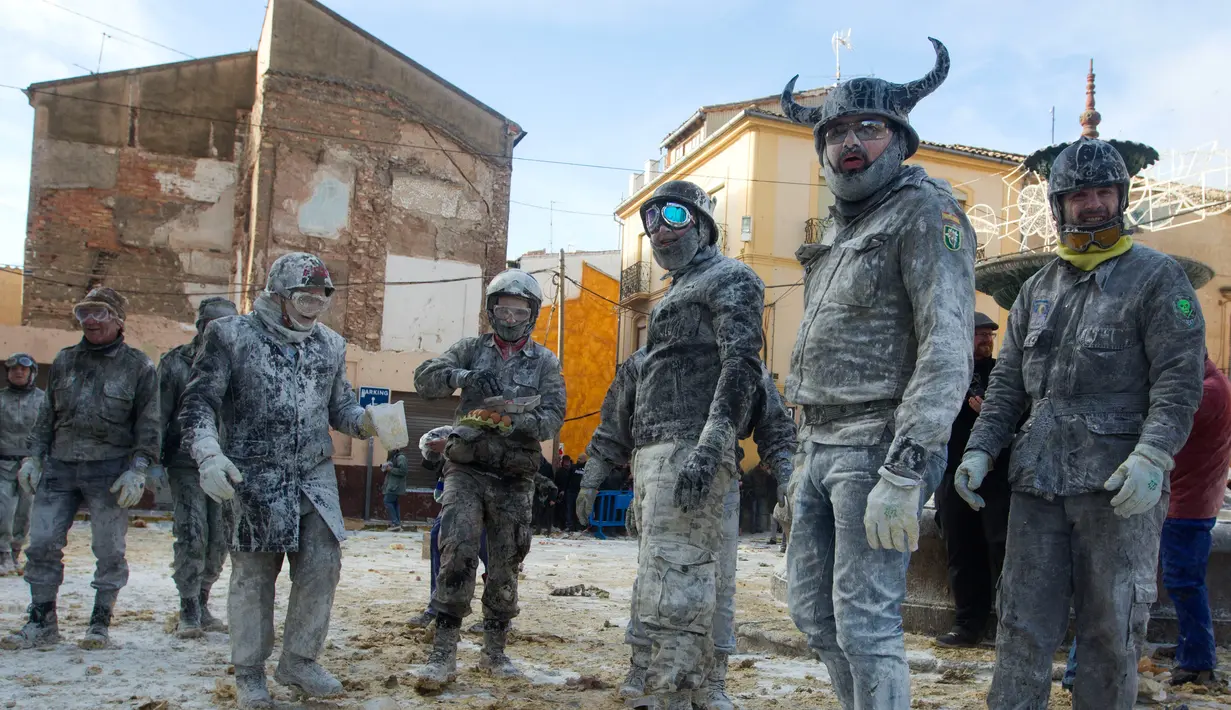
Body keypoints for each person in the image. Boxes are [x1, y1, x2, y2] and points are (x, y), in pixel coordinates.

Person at [956, 94, 1206, 708]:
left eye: (1103, 194)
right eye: (1077, 196)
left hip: (1118, 488)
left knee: (1109, 629)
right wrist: (983, 449)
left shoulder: (1156, 277)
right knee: (1020, 624)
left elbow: (1179, 379)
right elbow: (1011, 378)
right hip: (1038, 482)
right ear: (1059, 205)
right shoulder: (1039, 286)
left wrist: (1153, 456)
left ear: (1121, 198)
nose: (1091, 205)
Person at [778, 38, 973, 709]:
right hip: (818, 445)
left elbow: (947, 340)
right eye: (834, 131)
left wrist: (907, 463)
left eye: (867, 126)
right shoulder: (838, 230)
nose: (848, 143)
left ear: (899, 140)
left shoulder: (927, 210)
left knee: (865, 620)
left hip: (877, 445)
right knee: (810, 611)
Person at [585, 179, 764, 709]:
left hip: (688, 449)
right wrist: (603, 463)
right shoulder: (676, 294)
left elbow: (742, 364)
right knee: (676, 573)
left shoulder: (729, 277)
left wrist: (711, 443)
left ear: (705, 224)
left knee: (679, 580)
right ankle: (693, 688)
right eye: (651, 220)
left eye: (675, 217)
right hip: (657, 456)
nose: (660, 229)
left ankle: (673, 694)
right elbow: (632, 389)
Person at [179, 253, 381, 708]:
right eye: (302, 299)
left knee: (322, 565)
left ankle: (300, 660)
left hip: (313, 474)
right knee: (254, 574)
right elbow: (198, 405)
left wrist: (368, 423)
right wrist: (209, 455)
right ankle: (250, 671)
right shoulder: (230, 336)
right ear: (276, 295)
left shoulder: (330, 345)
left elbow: (340, 409)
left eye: (319, 300)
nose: (311, 308)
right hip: (253, 475)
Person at [582, 347, 795, 710]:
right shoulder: (647, 358)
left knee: (719, 579)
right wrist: (594, 472)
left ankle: (713, 679)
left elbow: (773, 422)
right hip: (654, 475)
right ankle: (642, 665)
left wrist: (788, 474)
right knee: (654, 576)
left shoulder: (740, 362)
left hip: (719, 476)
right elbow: (615, 419)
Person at [412, 268, 565, 689]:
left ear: (532, 314)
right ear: (491, 310)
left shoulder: (545, 362)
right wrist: (461, 378)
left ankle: (495, 650)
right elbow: (424, 379)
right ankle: (442, 651)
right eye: (503, 308)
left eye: (520, 310)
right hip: (467, 468)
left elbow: (553, 417)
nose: (511, 318)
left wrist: (517, 419)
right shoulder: (469, 349)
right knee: (457, 549)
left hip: (516, 474)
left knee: (506, 561)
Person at [1, 288, 159, 651]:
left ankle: (100, 622)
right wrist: (35, 457)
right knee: (40, 543)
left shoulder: (138, 365)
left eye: (99, 313)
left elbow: (149, 424)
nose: (90, 320)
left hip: (110, 470)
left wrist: (139, 468)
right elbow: (46, 418)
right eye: (84, 313)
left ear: (119, 320)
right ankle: (41, 621)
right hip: (59, 467)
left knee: (109, 549)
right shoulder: (65, 360)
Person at [1062, 354, 1231, 690]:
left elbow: (1155, 430)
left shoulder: (1203, 393)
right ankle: (1194, 652)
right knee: (1181, 583)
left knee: (1136, 582)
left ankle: (1196, 662)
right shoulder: (1212, 385)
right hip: (1192, 501)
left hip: (1183, 505)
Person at [157, 297, 239, 638]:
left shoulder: (240, 362)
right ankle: (188, 607)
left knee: (220, 537)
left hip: (230, 465)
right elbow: (158, 414)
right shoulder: (176, 362)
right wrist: (150, 460)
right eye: (212, 323)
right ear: (200, 325)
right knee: (192, 534)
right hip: (186, 462)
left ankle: (203, 601)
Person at [932, 312, 1013, 648]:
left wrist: (990, 414)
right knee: (962, 552)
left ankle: (1011, 625)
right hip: (953, 474)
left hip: (996, 478)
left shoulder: (1003, 375)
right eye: (980, 334)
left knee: (1002, 549)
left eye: (990, 336)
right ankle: (968, 625)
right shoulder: (947, 373)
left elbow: (1021, 415)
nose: (986, 340)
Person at [404, 426, 492, 630]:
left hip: (486, 501)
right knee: (438, 539)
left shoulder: (487, 427)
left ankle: (495, 617)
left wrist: (451, 446)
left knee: (491, 556)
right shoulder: (450, 451)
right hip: (457, 503)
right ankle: (436, 609)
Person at [0, 354, 45, 576]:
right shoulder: (0, 399)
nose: (18, 372)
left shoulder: (43, 401)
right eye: (14, 369)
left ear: (32, 373)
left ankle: (16, 551)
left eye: (23, 369)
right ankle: (2, 553)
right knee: (3, 510)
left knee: (25, 513)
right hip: (3, 463)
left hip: (31, 465)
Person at [382, 447, 411, 532]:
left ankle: (395, 523)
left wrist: (391, 469)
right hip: (392, 485)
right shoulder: (394, 457)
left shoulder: (401, 457)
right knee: (394, 504)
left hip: (395, 486)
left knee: (387, 501)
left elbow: (403, 471)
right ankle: (397, 524)